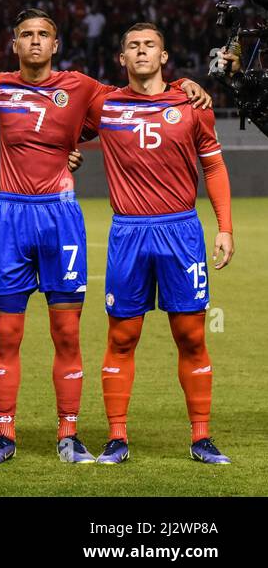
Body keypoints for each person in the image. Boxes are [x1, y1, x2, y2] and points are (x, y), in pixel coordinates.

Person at [0, 8, 210, 464]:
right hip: (10, 218)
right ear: (14, 44)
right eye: (26, 35)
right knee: (6, 334)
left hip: (62, 218)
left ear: (56, 44)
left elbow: (140, 93)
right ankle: (4, 435)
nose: (36, 42)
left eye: (44, 34)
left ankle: (70, 434)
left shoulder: (82, 87)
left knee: (67, 333)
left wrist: (185, 85)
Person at [89, 24, 233, 465]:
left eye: (149, 44)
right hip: (129, 232)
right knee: (122, 335)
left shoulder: (191, 104)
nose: (141, 51)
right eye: (132, 45)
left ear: (164, 55)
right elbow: (50, 122)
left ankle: (202, 438)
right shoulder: (103, 103)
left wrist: (224, 227)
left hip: (181, 232)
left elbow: (213, 168)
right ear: (122, 58)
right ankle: (117, 438)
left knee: (191, 336)